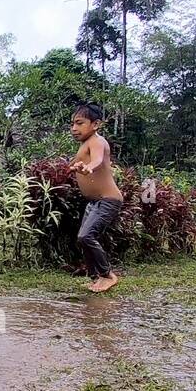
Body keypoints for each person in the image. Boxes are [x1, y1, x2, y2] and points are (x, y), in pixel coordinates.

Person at [69, 104, 123, 293]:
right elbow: (78, 164)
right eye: (72, 124)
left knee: (86, 236)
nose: (74, 128)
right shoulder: (85, 144)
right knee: (82, 238)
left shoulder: (97, 141)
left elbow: (98, 159)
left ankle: (107, 275)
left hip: (107, 200)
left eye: (79, 123)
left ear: (96, 124)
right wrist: (75, 167)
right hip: (95, 201)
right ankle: (96, 277)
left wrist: (90, 167)